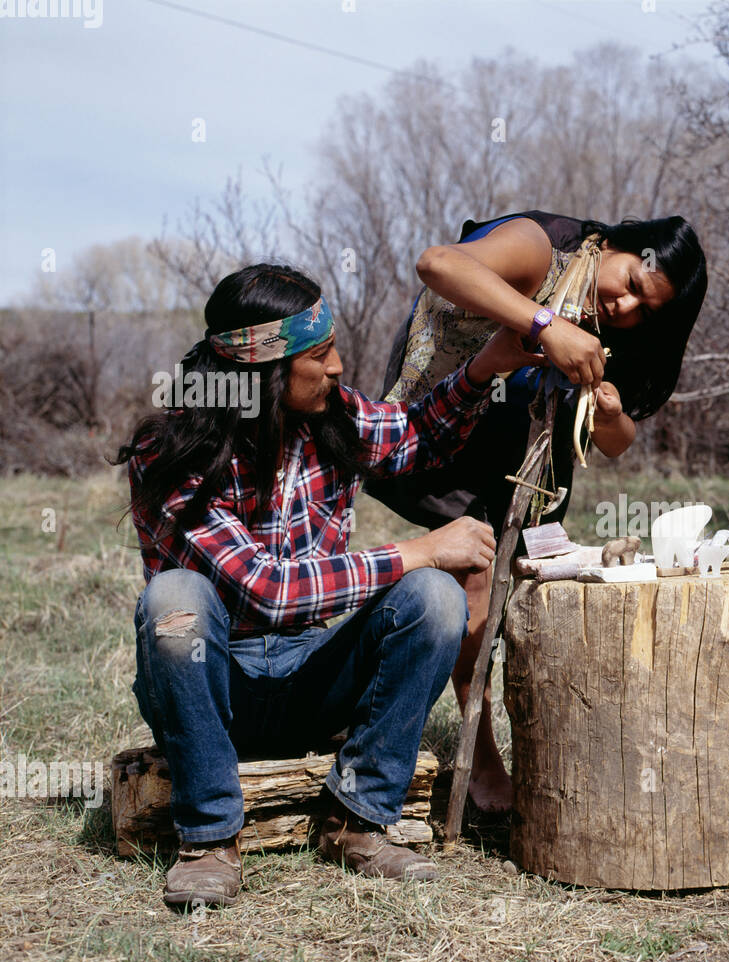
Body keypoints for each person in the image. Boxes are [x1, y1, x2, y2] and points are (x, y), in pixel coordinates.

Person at [115, 264, 547, 908]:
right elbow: (267, 589)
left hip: (312, 678)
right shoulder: (172, 452)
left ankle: (359, 819)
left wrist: (489, 364)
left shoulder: (331, 418)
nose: (339, 367)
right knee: (175, 598)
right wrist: (419, 548)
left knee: (434, 598)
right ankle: (208, 837)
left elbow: (417, 435)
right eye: (320, 355)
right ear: (263, 371)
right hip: (214, 683)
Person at [368, 211, 708, 814]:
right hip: (438, 425)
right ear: (615, 245)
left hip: (523, 463)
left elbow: (617, 441)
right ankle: (479, 756)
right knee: (476, 574)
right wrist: (545, 324)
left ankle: (531, 745)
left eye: (645, 309)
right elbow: (438, 264)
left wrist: (606, 408)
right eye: (629, 282)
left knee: (522, 596)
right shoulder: (538, 247)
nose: (626, 306)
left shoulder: (610, 330)